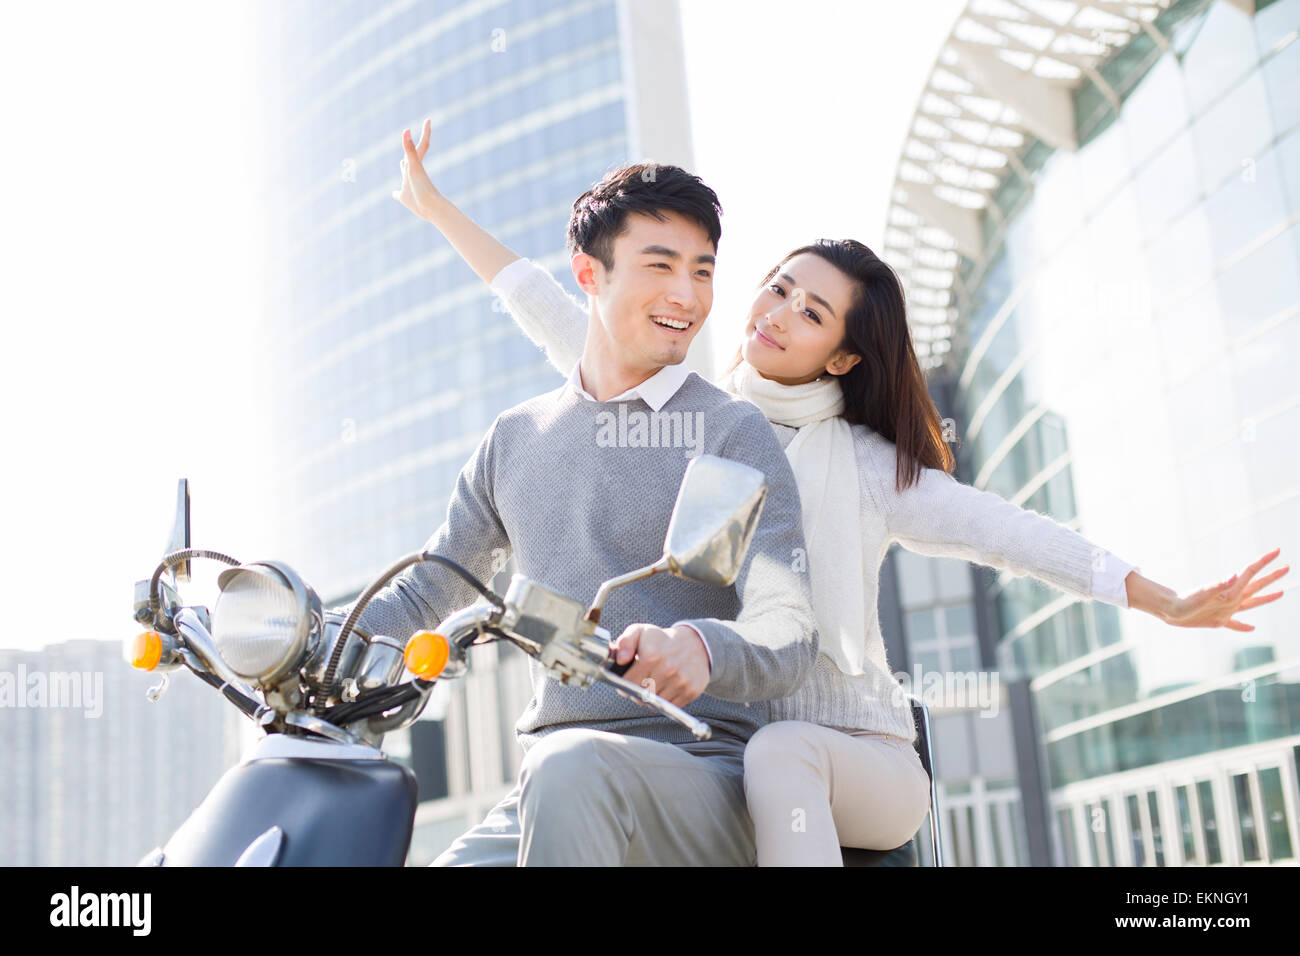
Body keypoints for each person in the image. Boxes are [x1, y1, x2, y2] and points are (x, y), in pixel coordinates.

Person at [392, 118, 1289, 865]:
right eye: (776, 290)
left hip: (837, 746)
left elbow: (1008, 534)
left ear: (844, 357)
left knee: (777, 756)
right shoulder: (675, 403)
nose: (773, 315)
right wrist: (431, 207)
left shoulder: (845, 460)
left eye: (810, 314)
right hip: (703, 741)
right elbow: (549, 303)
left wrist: (1159, 597)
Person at [354, 145, 819, 866]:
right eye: (661, 265)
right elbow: (428, 589)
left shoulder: (731, 431)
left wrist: (703, 646)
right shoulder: (514, 440)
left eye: (702, 271)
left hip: (702, 774)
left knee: (571, 768)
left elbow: (789, 625)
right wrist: (297, 637)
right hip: (548, 780)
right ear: (588, 275)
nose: (688, 296)